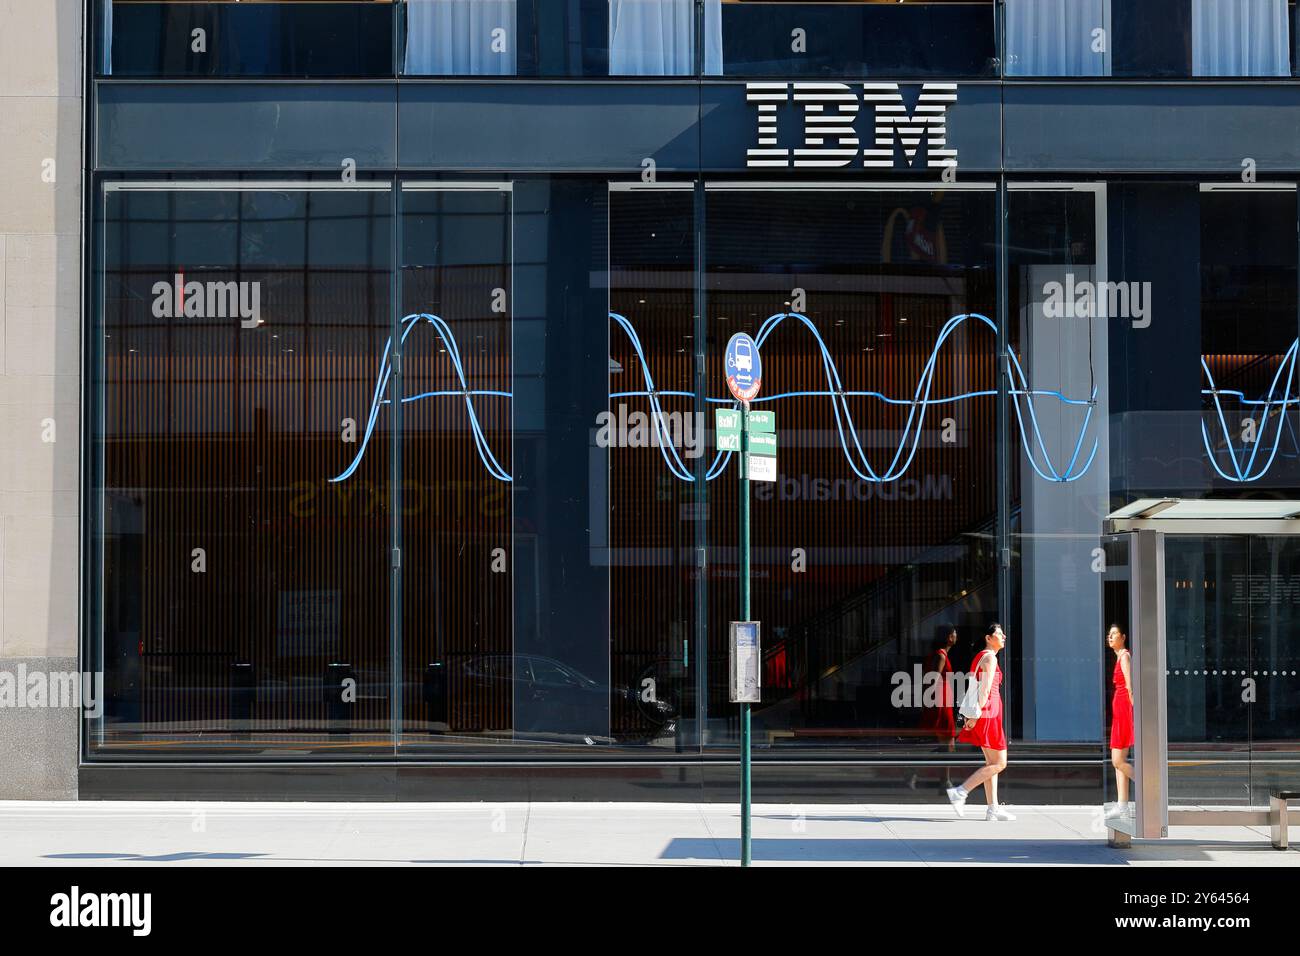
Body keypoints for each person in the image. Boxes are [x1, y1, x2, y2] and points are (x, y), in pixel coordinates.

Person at [946, 623, 1014, 821]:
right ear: (988, 637)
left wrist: (973, 716)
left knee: (990, 763)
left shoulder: (980, 656)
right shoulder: (990, 658)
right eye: (1000, 634)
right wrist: (975, 716)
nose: (1004, 637)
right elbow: (984, 690)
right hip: (988, 715)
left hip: (986, 714)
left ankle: (992, 808)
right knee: (1000, 763)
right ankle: (960, 791)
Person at [917, 626, 958, 791]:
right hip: (940, 703)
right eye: (954, 634)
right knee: (948, 743)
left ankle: (944, 780)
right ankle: (944, 781)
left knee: (948, 744)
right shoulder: (941, 655)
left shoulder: (940, 654)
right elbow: (932, 680)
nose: (956, 636)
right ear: (949, 637)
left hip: (942, 701)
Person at [1106, 624, 1135, 817]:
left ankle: (1146, 785)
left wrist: (1133, 713)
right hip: (1119, 711)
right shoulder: (1119, 657)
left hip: (1125, 710)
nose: (1110, 637)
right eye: (1109, 634)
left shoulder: (1125, 656)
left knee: (1118, 760)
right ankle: (1122, 804)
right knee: (1118, 761)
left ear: (1123, 637)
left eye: (1114, 634)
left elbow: (1130, 686)